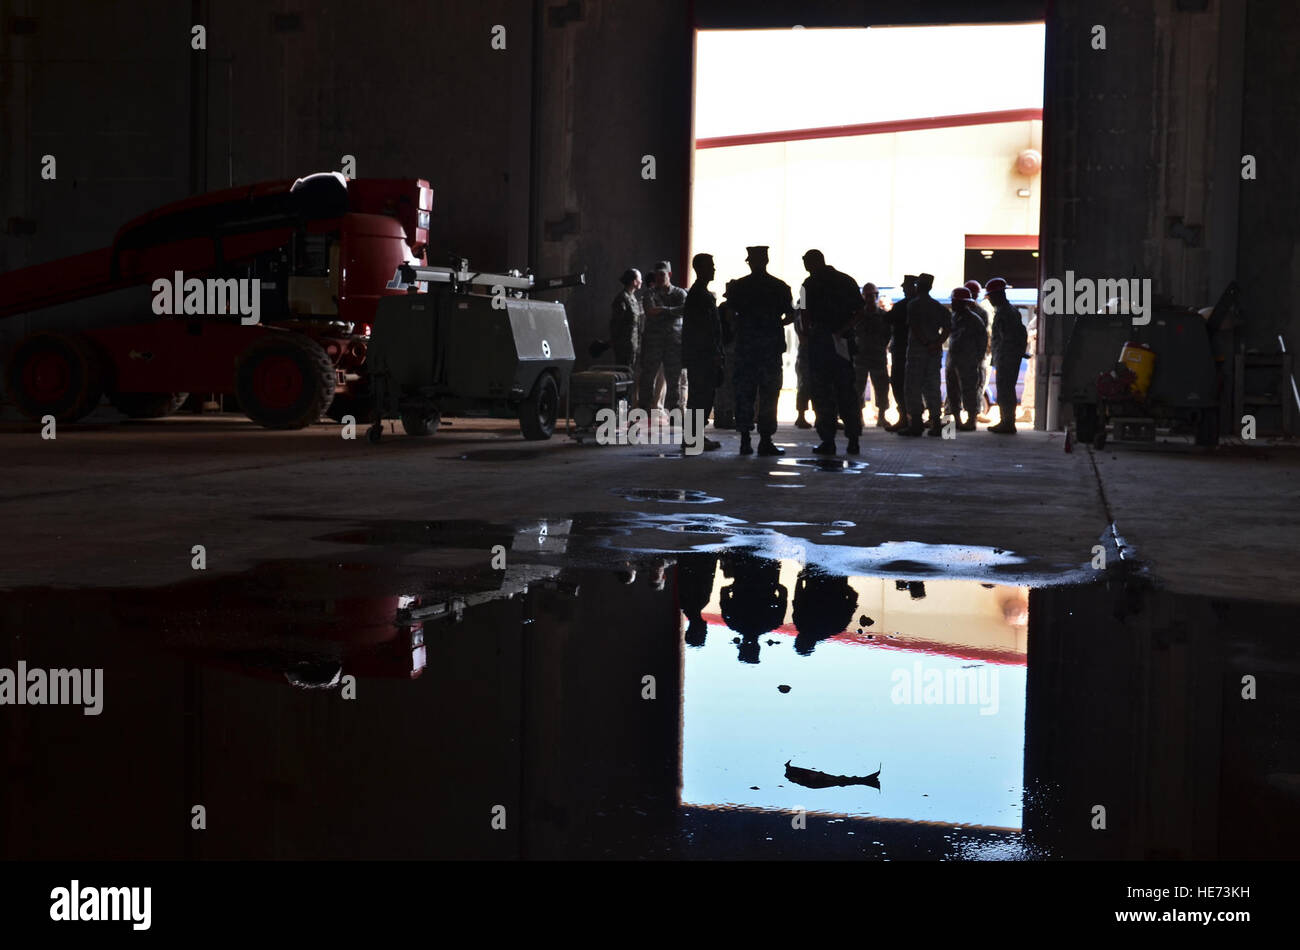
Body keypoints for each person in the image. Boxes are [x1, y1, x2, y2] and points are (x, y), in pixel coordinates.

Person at [724, 245, 795, 457]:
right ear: (766, 261)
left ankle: (745, 440)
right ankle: (766, 441)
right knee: (769, 394)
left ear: (750, 262)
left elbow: (729, 313)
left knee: (744, 393)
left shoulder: (739, 287)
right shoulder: (780, 286)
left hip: (746, 349)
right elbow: (791, 315)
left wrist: (741, 327)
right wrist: (774, 325)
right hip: (770, 350)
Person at [799, 250, 864, 455]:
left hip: (820, 344)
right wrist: (842, 331)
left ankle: (828, 440)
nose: (806, 268)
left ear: (813, 263)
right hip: (842, 344)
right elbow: (860, 311)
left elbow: (804, 314)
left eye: (806, 264)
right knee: (846, 392)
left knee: (822, 393)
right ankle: (853, 439)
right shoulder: (847, 281)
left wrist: (810, 335)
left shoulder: (807, 285)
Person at [681, 252, 723, 453]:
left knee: (702, 396)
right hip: (702, 356)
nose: (714, 269)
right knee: (701, 396)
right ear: (701, 268)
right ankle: (692, 438)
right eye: (711, 265)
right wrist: (712, 353)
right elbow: (702, 330)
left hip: (702, 355)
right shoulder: (699, 295)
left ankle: (695, 436)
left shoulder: (701, 294)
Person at [898, 272, 949, 437]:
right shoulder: (938, 307)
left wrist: (925, 343)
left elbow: (914, 327)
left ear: (918, 286)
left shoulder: (913, 305)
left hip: (917, 352)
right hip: (933, 353)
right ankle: (936, 423)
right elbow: (947, 329)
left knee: (912, 387)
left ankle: (916, 423)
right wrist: (936, 343)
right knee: (932, 387)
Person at [638, 266, 686, 415]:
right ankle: (644, 410)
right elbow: (650, 311)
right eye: (657, 275)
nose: (659, 278)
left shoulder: (679, 293)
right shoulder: (650, 293)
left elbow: (684, 309)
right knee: (648, 377)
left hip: (674, 343)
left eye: (662, 275)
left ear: (669, 274)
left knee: (674, 380)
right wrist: (672, 311)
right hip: (654, 343)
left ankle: (675, 412)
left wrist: (663, 310)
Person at [986, 276, 1028, 434]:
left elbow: (1007, 338)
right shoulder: (1010, 311)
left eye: (990, 296)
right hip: (1007, 357)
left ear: (998, 295)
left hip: (1006, 357)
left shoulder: (1006, 313)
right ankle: (1006, 421)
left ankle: (1007, 423)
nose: (989, 300)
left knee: (1005, 390)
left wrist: (1003, 358)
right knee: (1005, 389)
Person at [947, 286, 988, 431]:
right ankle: (956, 420)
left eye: (954, 301)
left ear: (962, 302)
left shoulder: (974, 320)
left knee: (969, 390)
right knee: (952, 390)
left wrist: (976, 359)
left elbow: (982, 342)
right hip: (953, 360)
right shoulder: (953, 318)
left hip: (968, 361)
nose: (952, 304)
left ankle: (971, 420)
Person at [853, 281, 892, 428]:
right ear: (863, 296)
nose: (870, 298)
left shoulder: (883, 316)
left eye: (873, 295)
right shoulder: (857, 315)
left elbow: (888, 334)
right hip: (860, 356)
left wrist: (881, 346)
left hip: (877, 355)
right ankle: (859, 417)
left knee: (882, 387)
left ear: (876, 296)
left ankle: (881, 416)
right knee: (858, 387)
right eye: (868, 295)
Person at [886, 275, 917, 431]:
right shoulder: (927, 306)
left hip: (903, 353)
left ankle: (907, 419)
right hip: (915, 352)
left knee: (900, 384)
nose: (904, 289)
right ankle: (914, 420)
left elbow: (886, 321)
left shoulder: (902, 307)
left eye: (907, 287)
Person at [610, 268, 644, 393]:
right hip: (624, 346)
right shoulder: (622, 299)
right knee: (623, 378)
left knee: (629, 377)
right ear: (634, 281)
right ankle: (621, 407)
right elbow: (616, 324)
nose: (641, 281)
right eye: (639, 278)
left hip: (632, 346)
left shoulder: (632, 298)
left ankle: (627, 405)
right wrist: (617, 343)